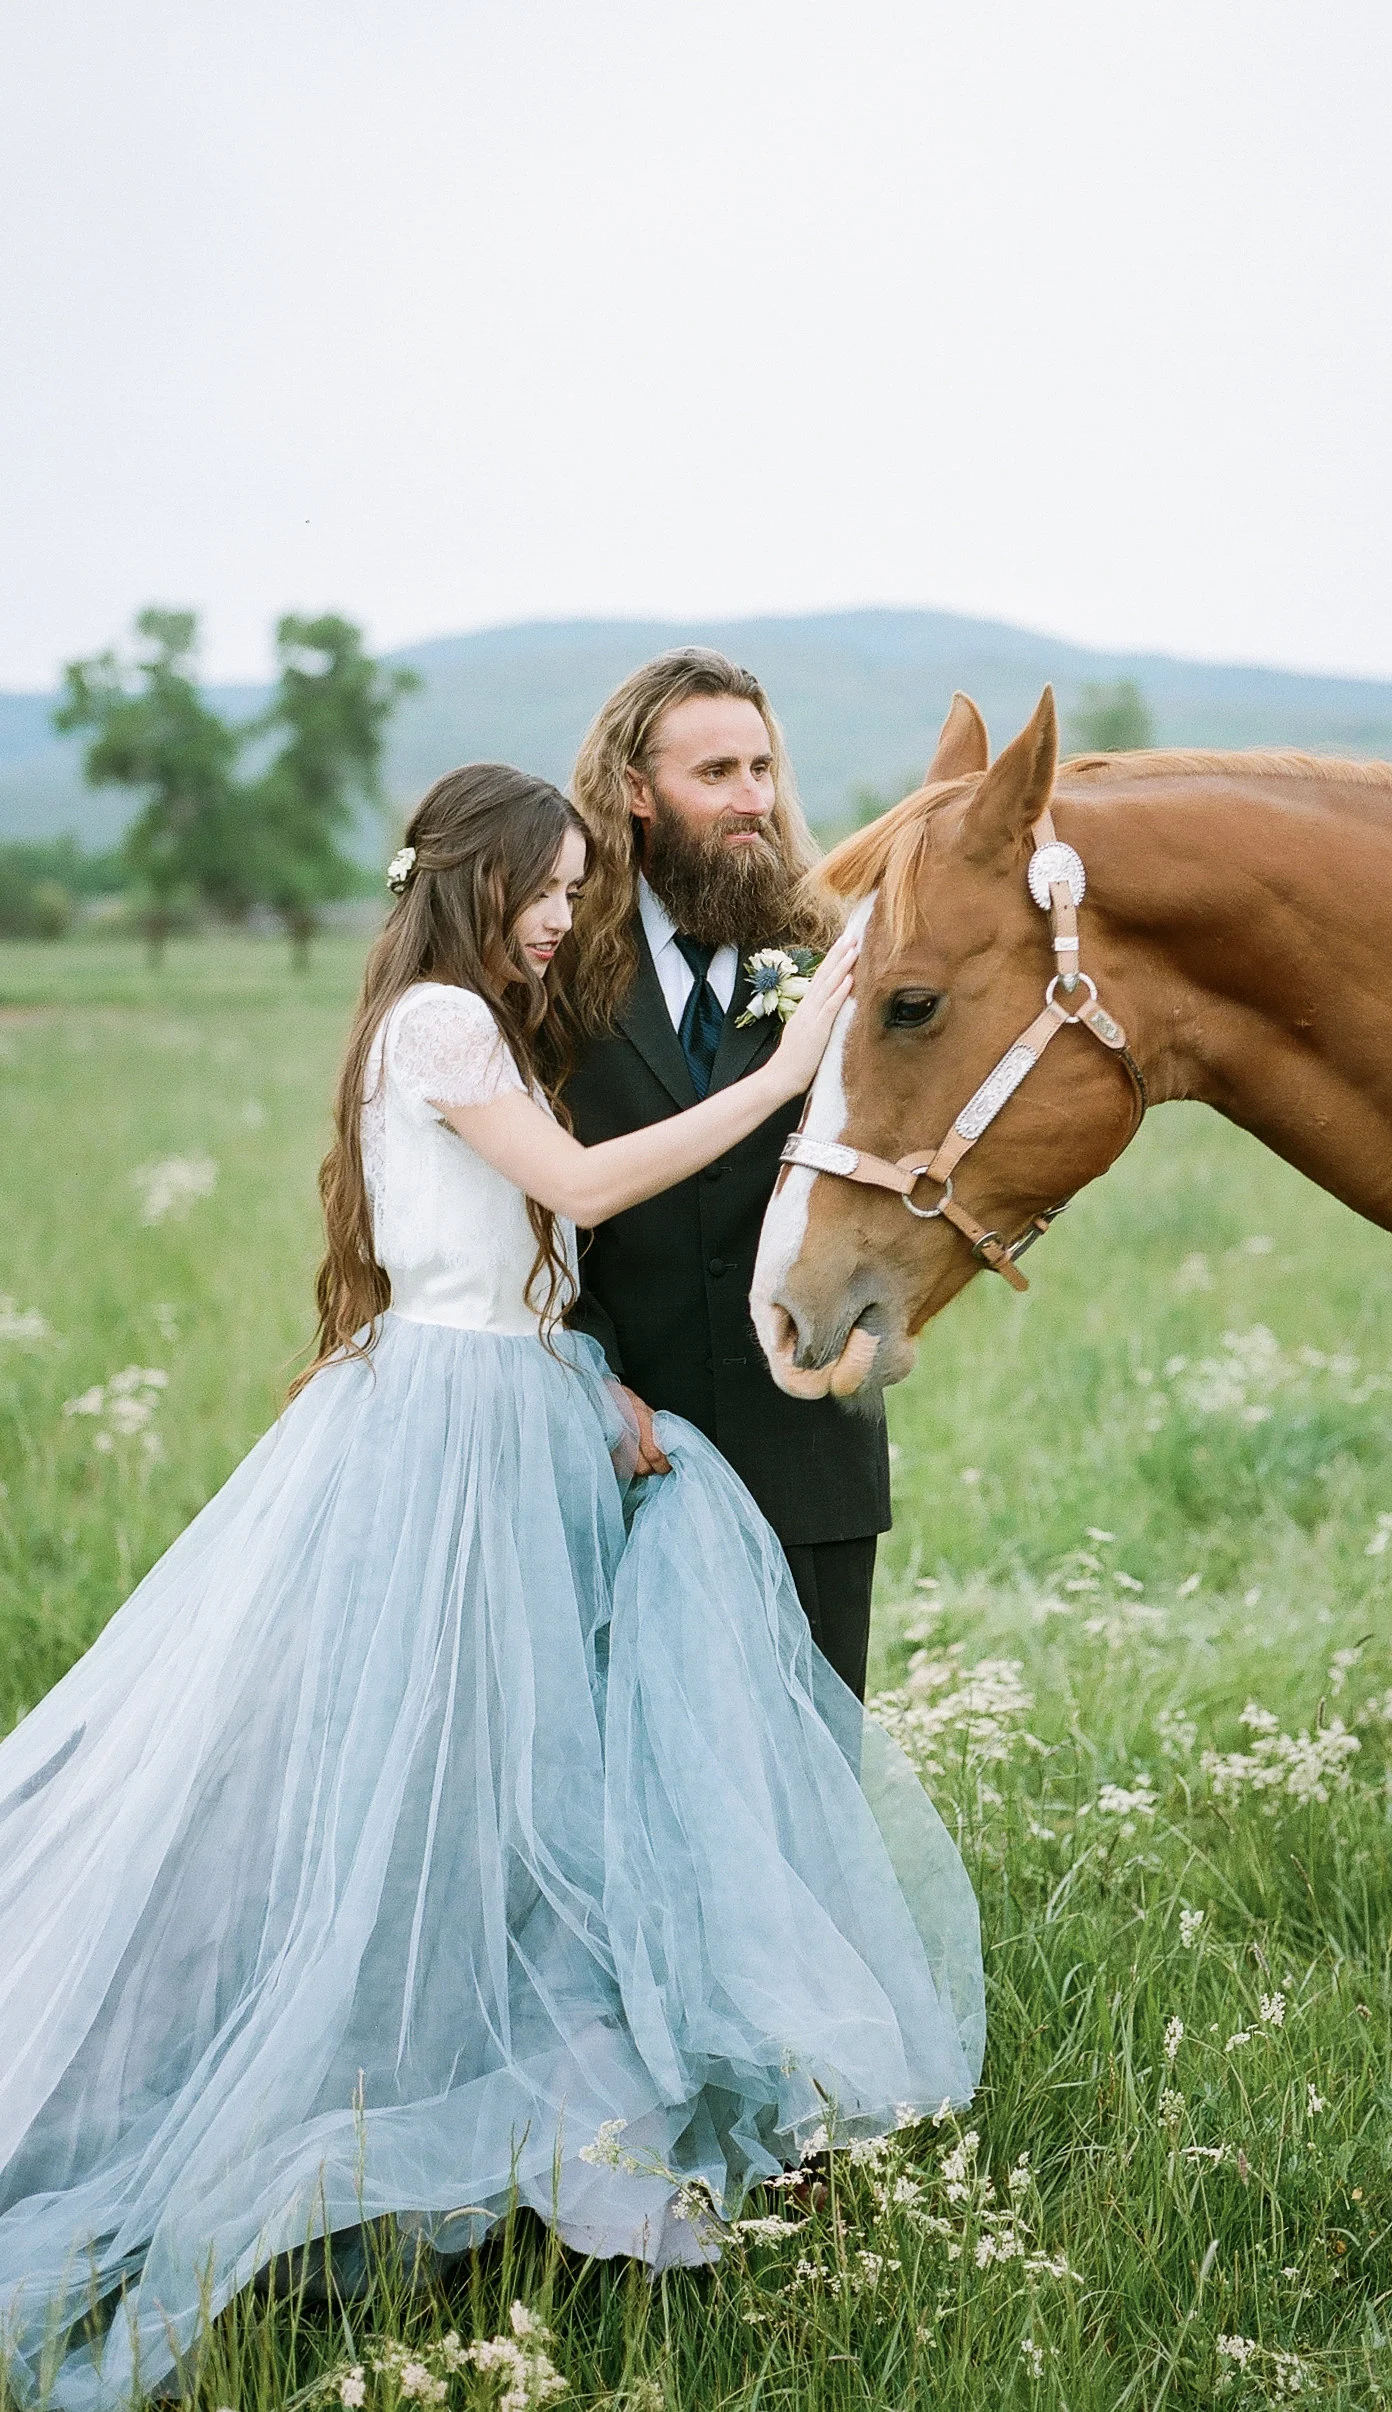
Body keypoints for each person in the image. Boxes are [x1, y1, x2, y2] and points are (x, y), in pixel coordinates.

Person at [0, 765, 983, 2412]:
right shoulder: (446, 1026)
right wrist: (796, 1065)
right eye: (541, 882)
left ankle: (535, 2123)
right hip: (449, 1439)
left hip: (519, 1404)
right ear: (467, 877)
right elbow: (589, 1191)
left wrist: (583, 1376)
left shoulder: (477, 1023)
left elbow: (509, 1249)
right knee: (441, 1778)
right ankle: (393, 2107)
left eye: (576, 883)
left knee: (524, 1784)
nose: (561, 909)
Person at [562, 650, 887, 1701]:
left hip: (809, 1443)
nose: (752, 800)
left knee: (813, 1769)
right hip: (619, 1443)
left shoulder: (837, 947)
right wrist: (588, 1378)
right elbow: (519, 1206)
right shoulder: (552, 966)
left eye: (761, 769)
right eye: (715, 775)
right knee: (623, 1770)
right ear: (632, 791)